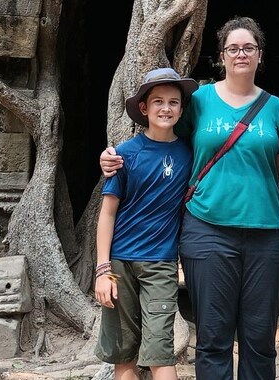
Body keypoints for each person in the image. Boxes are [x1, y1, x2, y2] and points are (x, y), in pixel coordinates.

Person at [101, 17, 279, 380]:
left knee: (259, 338)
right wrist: (114, 158)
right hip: (207, 232)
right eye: (233, 48)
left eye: (249, 48)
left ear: (260, 55)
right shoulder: (199, 101)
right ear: (221, 56)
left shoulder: (273, 108)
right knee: (213, 337)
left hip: (267, 234)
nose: (241, 54)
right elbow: (160, 137)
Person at [94, 67, 198, 380]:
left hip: (161, 265)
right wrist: (102, 270)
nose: (166, 108)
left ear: (181, 109)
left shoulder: (189, 154)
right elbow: (108, 213)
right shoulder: (124, 155)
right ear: (144, 108)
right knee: (123, 354)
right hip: (120, 264)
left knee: (159, 353)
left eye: (173, 102)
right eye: (158, 102)